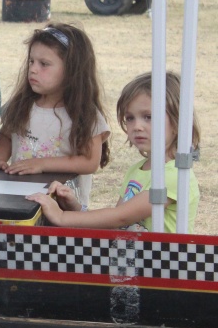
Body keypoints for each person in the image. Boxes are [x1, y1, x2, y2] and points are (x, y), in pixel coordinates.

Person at [28, 71, 200, 233]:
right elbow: (116, 225)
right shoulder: (137, 170)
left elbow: (120, 217)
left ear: (178, 122)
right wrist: (75, 208)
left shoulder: (175, 175)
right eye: (130, 118)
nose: (137, 126)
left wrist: (62, 217)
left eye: (148, 117)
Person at [0, 24, 111, 209]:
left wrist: (41, 164)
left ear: (72, 69)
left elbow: (89, 162)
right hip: (22, 202)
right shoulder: (22, 105)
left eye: (44, 64)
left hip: (66, 209)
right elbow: (7, 135)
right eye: (31, 61)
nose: (33, 69)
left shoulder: (85, 114)